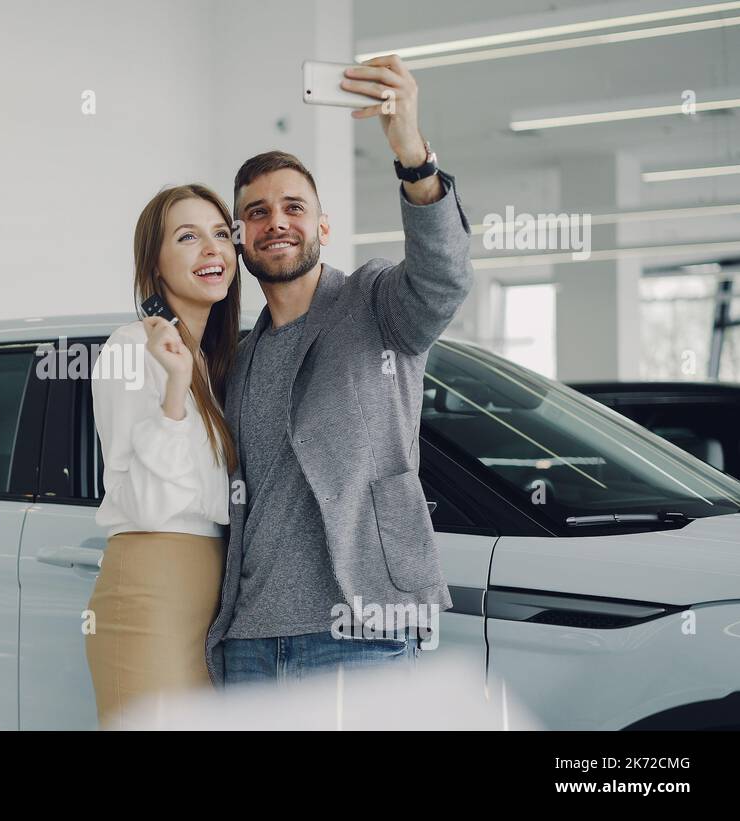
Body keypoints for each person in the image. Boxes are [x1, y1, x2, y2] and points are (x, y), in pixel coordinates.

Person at [206, 54, 474, 686]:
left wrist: (414, 156)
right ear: (240, 237)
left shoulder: (376, 304)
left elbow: (444, 278)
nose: (276, 222)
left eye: (293, 207)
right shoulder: (240, 362)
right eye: (257, 212)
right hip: (249, 642)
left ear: (322, 225)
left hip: (360, 631)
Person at [84, 183, 241, 728]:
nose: (212, 250)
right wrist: (174, 388)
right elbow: (150, 505)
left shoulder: (218, 364)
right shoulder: (130, 350)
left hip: (211, 592)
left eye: (221, 234)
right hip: (153, 586)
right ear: (154, 262)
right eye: (188, 237)